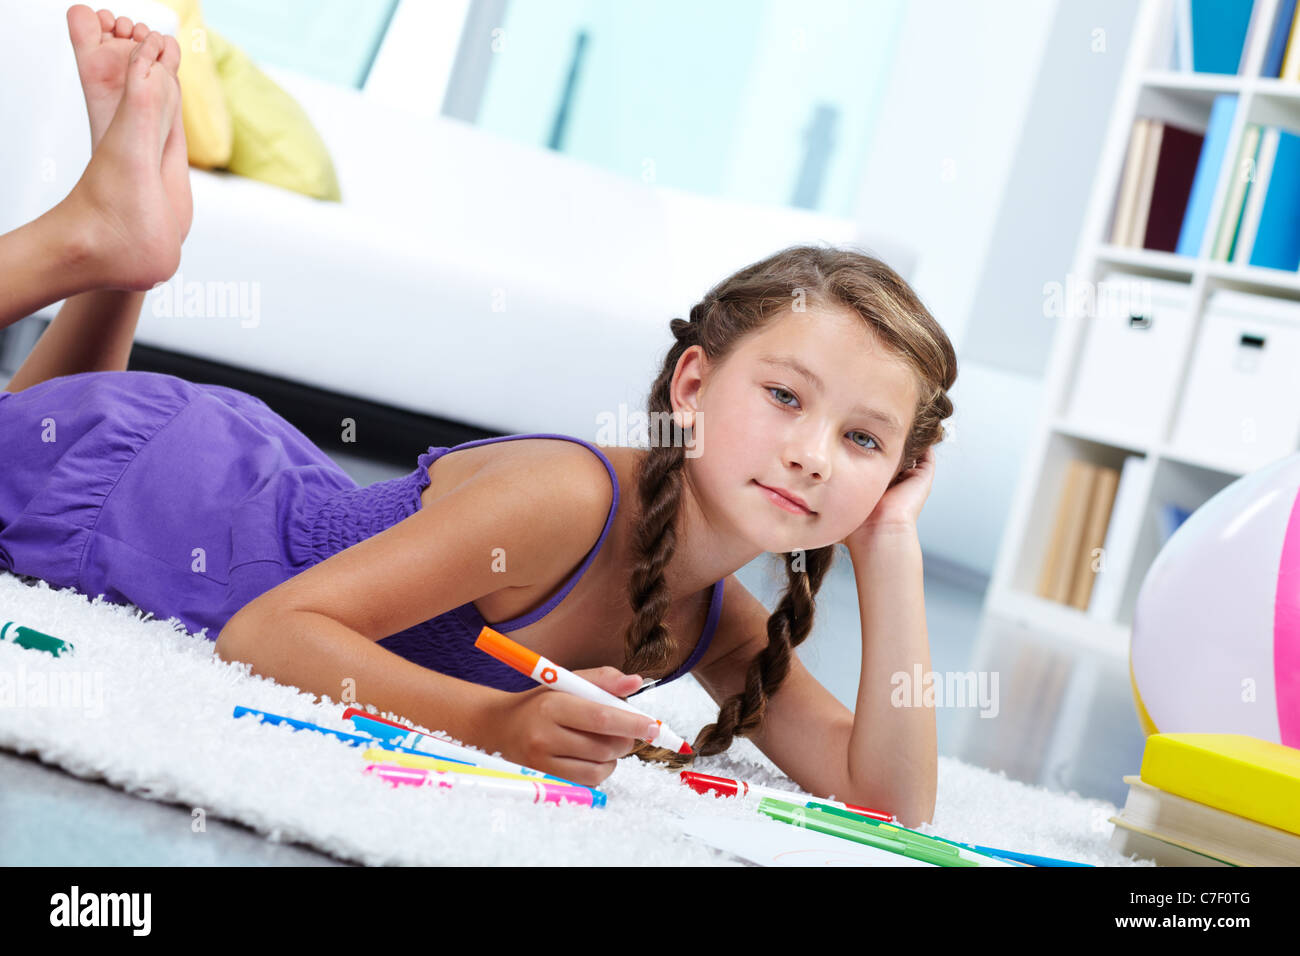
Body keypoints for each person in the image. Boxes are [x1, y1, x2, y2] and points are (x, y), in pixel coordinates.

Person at [0, 6, 956, 829]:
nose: (811, 455)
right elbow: (267, 631)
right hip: (167, 498)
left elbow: (890, 800)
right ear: (693, 389)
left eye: (863, 440)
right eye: (785, 397)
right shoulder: (568, 498)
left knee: (34, 425)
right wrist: (492, 726)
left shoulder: (701, 612)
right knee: (47, 435)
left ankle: (120, 262)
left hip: (162, 459)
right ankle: (78, 243)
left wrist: (894, 543)